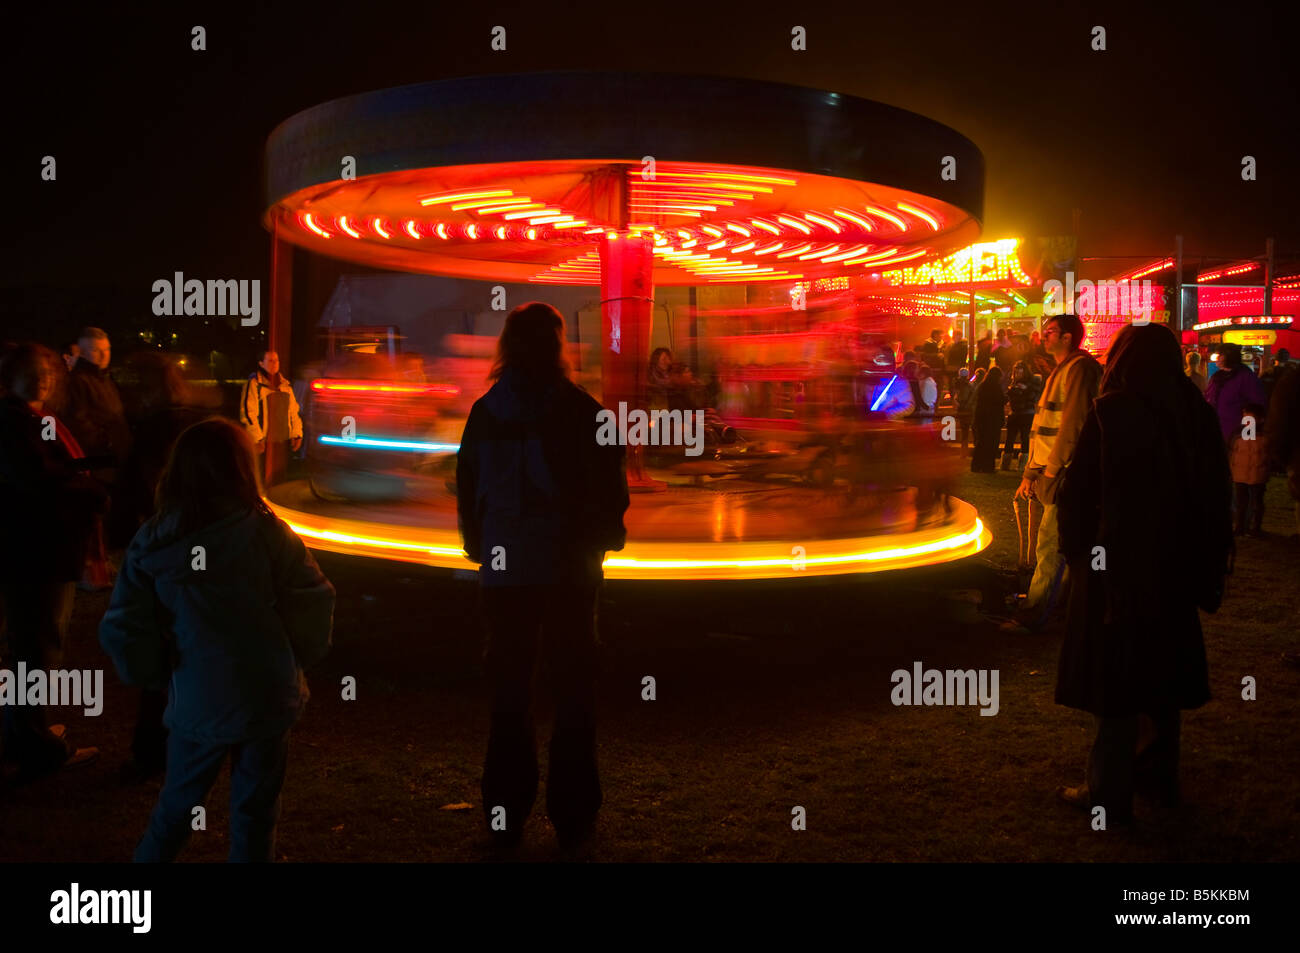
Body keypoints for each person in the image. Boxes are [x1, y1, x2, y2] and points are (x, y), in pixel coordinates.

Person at [100, 417, 334, 862]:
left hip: (198, 694)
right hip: (266, 693)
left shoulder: (154, 541)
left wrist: (152, 670)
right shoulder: (268, 534)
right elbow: (313, 597)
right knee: (257, 810)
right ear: (243, 469)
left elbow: (125, 623)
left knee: (177, 806)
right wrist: (296, 655)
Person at [455, 302, 630, 851]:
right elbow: (609, 489)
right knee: (573, 688)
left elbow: (467, 484)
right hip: (567, 571)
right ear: (559, 348)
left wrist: (481, 545)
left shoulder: (486, 413)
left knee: (511, 690)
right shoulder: (584, 413)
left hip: (507, 574)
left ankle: (505, 804)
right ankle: (573, 810)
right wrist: (600, 541)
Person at [1054, 323, 1232, 825]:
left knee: (1117, 685)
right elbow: (1213, 493)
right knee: (1162, 679)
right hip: (1173, 571)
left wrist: (1081, 558)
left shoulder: (1112, 411)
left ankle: (1107, 794)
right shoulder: (1193, 411)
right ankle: (1158, 778)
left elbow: (1079, 494)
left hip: (1116, 571)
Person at [0, 344, 105, 776]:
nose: (42, 376)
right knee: (36, 648)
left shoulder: (30, 421)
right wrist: (91, 490)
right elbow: (38, 485)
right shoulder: (15, 424)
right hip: (36, 555)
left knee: (34, 648)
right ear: (11, 376)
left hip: (38, 551)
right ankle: (33, 746)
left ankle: (27, 731)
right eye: (31, 370)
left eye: (46, 369)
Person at [1010, 313, 1103, 631]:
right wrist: (1030, 473)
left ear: (1067, 337)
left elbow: (1072, 425)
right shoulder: (1062, 371)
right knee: (1062, 545)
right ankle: (1061, 607)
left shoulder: (1078, 370)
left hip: (1066, 473)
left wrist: (1049, 471)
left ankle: (1035, 613)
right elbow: (1046, 429)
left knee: (1050, 545)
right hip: (1058, 470)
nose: (1043, 336)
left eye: (1050, 331)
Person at [64, 327, 130, 590]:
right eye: (96, 350)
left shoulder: (104, 378)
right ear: (82, 350)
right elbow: (78, 422)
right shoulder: (78, 381)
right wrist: (107, 443)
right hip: (96, 460)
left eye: (107, 349)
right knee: (92, 516)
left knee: (104, 514)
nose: (103, 355)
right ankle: (88, 571)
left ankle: (100, 564)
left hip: (112, 460)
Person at [239, 349, 303, 485]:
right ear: (261, 364)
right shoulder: (254, 385)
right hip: (264, 444)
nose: (274, 363)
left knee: (279, 482)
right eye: (270, 360)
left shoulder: (286, 386)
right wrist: (257, 438)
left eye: (276, 360)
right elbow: (249, 413)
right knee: (261, 481)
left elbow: (293, 412)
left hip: (282, 442)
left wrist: (297, 434)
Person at [1205, 343, 1267, 444]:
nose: (1216, 359)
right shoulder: (1216, 377)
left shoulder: (1246, 377)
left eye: (1219, 355)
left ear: (1228, 356)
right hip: (1215, 432)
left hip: (1235, 435)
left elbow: (1256, 406)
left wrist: (1247, 436)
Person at [1229, 402, 1270, 536]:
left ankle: (1254, 528)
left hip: (1257, 474)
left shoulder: (1264, 436)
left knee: (1256, 503)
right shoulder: (1237, 435)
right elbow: (1232, 452)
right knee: (1241, 503)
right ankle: (1240, 526)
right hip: (1240, 474)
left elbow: (1268, 455)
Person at [1001, 361, 1036, 471]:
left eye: (1019, 372)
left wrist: (1025, 390)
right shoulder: (1013, 383)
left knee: (1025, 438)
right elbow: (1009, 397)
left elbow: (1034, 396)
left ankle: (1022, 465)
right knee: (1009, 439)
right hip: (1014, 413)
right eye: (1016, 373)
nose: (1017, 375)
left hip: (1026, 414)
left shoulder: (1031, 383)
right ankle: (1005, 464)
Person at [970, 365, 1005, 472]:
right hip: (992, 419)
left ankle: (976, 466)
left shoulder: (983, 386)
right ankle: (988, 466)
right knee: (991, 444)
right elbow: (999, 402)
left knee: (981, 443)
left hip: (981, 418)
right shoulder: (996, 387)